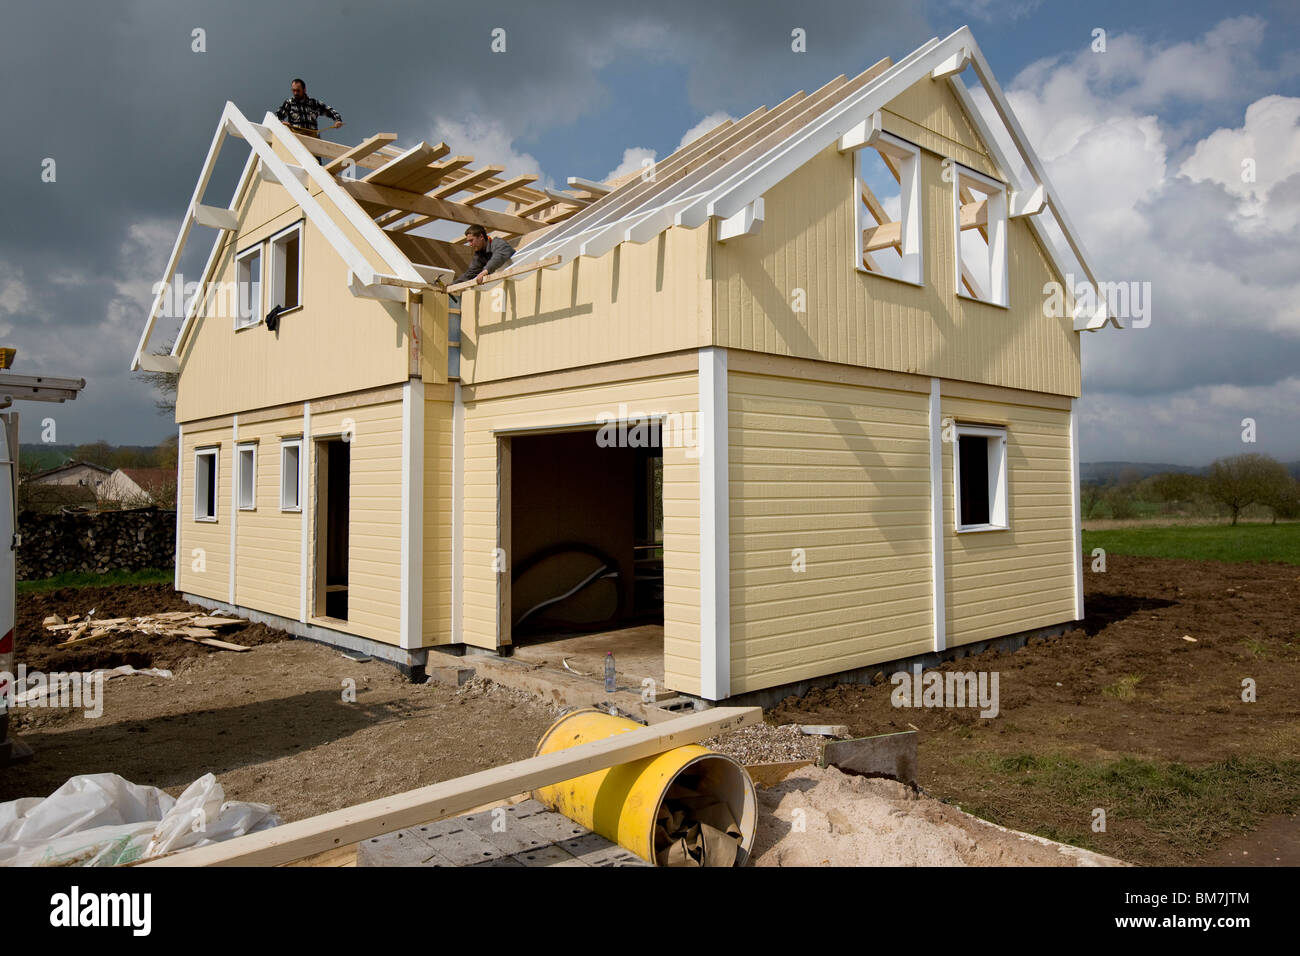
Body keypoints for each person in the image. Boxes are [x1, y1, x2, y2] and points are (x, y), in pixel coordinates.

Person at [275, 78, 343, 138]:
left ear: (304, 90)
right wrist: (281, 122)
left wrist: (338, 120)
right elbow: (276, 116)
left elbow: (330, 110)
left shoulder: (314, 103)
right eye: (293, 90)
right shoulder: (289, 103)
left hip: (312, 137)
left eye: (298, 91)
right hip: (296, 137)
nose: (295, 93)